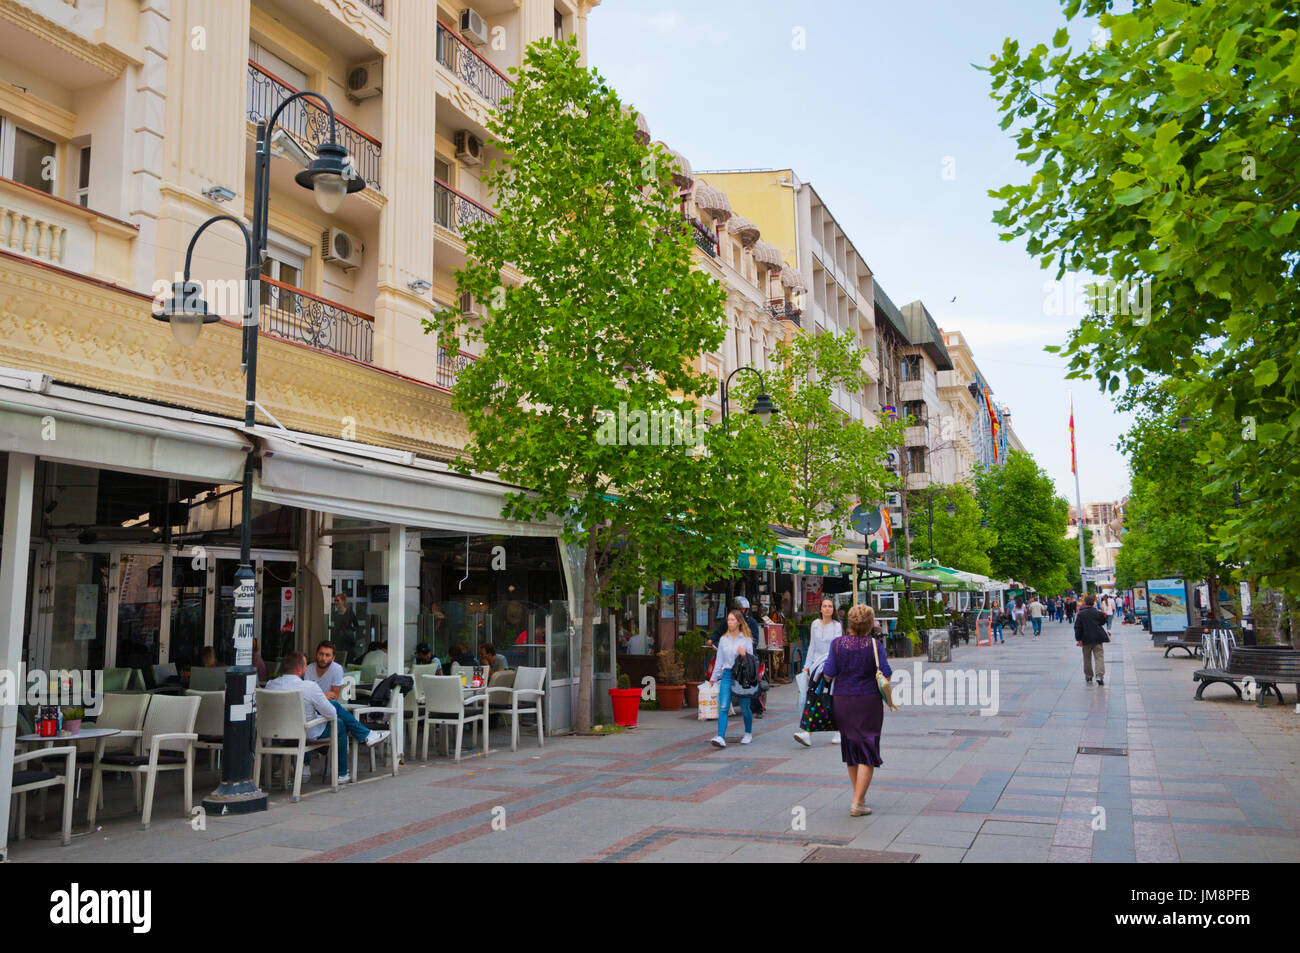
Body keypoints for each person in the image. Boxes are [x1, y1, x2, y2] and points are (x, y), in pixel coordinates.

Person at [266, 650, 390, 784]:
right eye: (305, 666)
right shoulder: (309, 687)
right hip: (306, 733)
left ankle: (366, 735)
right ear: (299, 669)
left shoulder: (270, 685)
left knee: (331, 708)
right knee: (339, 722)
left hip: (277, 734)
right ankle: (341, 773)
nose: (306, 669)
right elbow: (331, 714)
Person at [822, 604, 892, 817]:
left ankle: (858, 797)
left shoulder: (837, 644)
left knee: (851, 746)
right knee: (868, 747)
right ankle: (858, 801)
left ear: (849, 623)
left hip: (842, 700)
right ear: (870, 624)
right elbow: (886, 673)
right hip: (868, 701)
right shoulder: (875, 645)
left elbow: (828, 673)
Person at [794, 597, 842, 748]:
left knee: (833, 700)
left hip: (830, 666)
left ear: (833, 610)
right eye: (825, 606)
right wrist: (806, 666)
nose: (827, 608)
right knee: (812, 698)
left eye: (830, 606)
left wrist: (834, 667)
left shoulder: (837, 626)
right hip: (815, 667)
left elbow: (837, 649)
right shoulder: (815, 624)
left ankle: (839, 731)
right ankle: (807, 733)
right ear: (820, 609)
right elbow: (812, 646)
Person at [708, 609, 755, 748]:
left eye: (733, 620)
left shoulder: (746, 640)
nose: (730, 622)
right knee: (723, 706)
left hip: (742, 676)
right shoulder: (723, 639)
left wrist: (744, 654)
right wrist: (713, 678)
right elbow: (719, 660)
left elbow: (752, 661)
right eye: (728, 620)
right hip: (727, 674)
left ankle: (748, 732)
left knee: (745, 706)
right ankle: (720, 736)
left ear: (739, 622)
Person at [1074, 593, 1110, 686]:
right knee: (1099, 657)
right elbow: (1102, 622)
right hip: (1098, 638)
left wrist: (1078, 639)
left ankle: (1089, 675)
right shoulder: (1097, 612)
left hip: (1085, 639)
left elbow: (1077, 627)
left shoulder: (1081, 614)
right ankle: (1099, 676)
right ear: (1093, 603)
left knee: (1087, 658)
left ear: (1085, 603)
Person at [330, 593, 362, 661]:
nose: (335, 602)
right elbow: (333, 627)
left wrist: (348, 631)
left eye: (337, 600)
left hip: (348, 641)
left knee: (348, 659)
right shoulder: (334, 614)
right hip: (338, 641)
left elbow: (357, 626)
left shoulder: (349, 613)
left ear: (343, 601)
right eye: (335, 600)